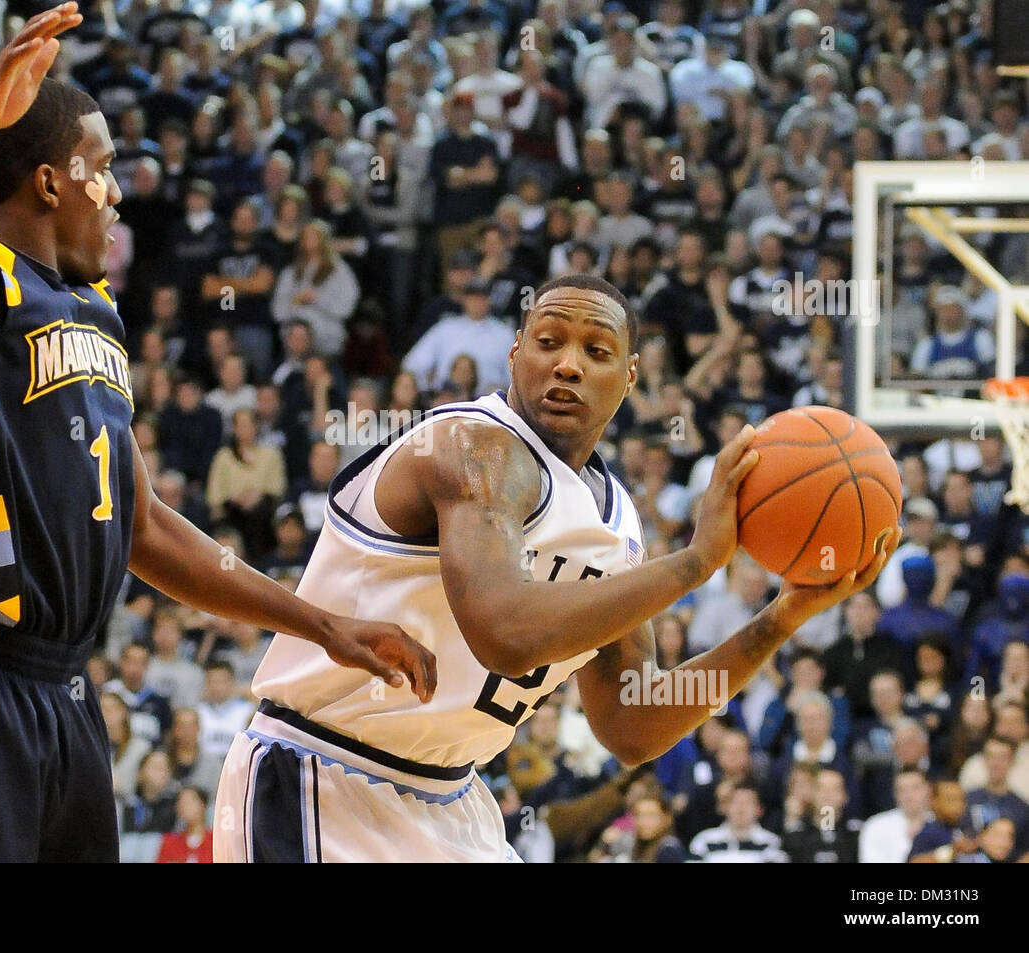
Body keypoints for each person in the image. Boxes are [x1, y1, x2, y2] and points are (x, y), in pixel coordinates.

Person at [0, 4, 434, 864]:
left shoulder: (94, 313)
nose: (120, 191)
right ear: (51, 181)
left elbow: (143, 526)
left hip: (59, 691)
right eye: (104, 167)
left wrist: (320, 623)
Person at [213, 273, 899, 862]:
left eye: (596, 351)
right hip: (317, 777)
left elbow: (633, 725)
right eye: (548, 342)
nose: (568, 364)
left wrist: (778, 620)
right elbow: (504, 635)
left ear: (630, 375)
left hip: (451, 796)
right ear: (514, 355)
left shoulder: (617, 523)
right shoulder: (471, 446)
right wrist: (695, 563)